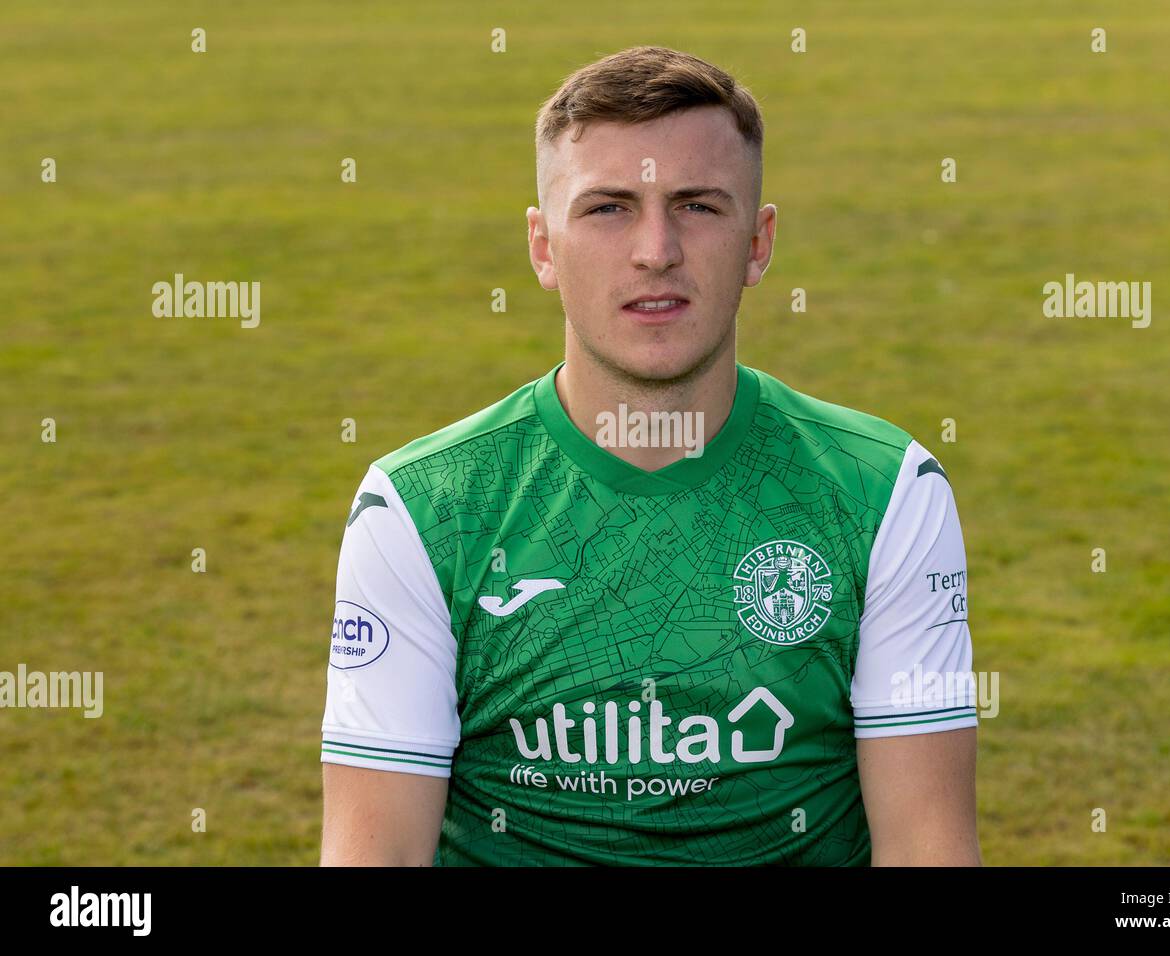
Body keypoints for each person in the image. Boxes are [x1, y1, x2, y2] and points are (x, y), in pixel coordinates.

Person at [320, 45, 980, 866]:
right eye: (608, 209)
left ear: (758, 242)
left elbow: (928, 847)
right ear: (542, 248)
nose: (655, 250)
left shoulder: (885, 491)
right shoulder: (421, 508)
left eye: (699, 205)